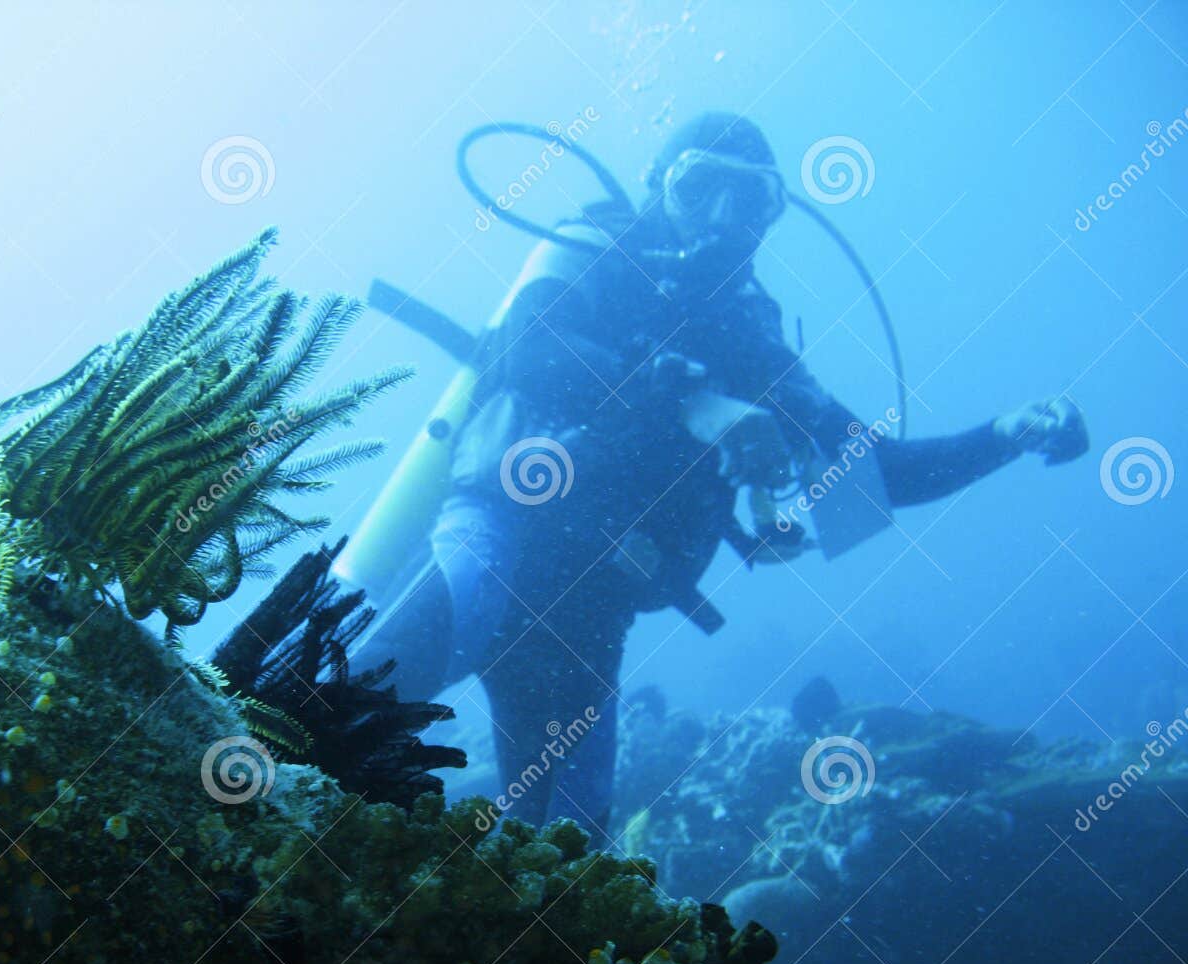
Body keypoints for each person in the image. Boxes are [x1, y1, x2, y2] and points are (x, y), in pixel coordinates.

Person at [355, 112, 1087, 836]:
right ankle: (287, 809)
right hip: (504, 534)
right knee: (349, 717)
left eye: (751, 198)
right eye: (700, 186)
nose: (723, 215)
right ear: (657, 186)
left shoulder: (751, 338)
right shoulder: (597, 248)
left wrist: (1006, 434)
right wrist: (693, 404)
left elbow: (876, 473)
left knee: (562, 859)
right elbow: (531, 354)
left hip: (594, 610)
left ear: (772, 213)